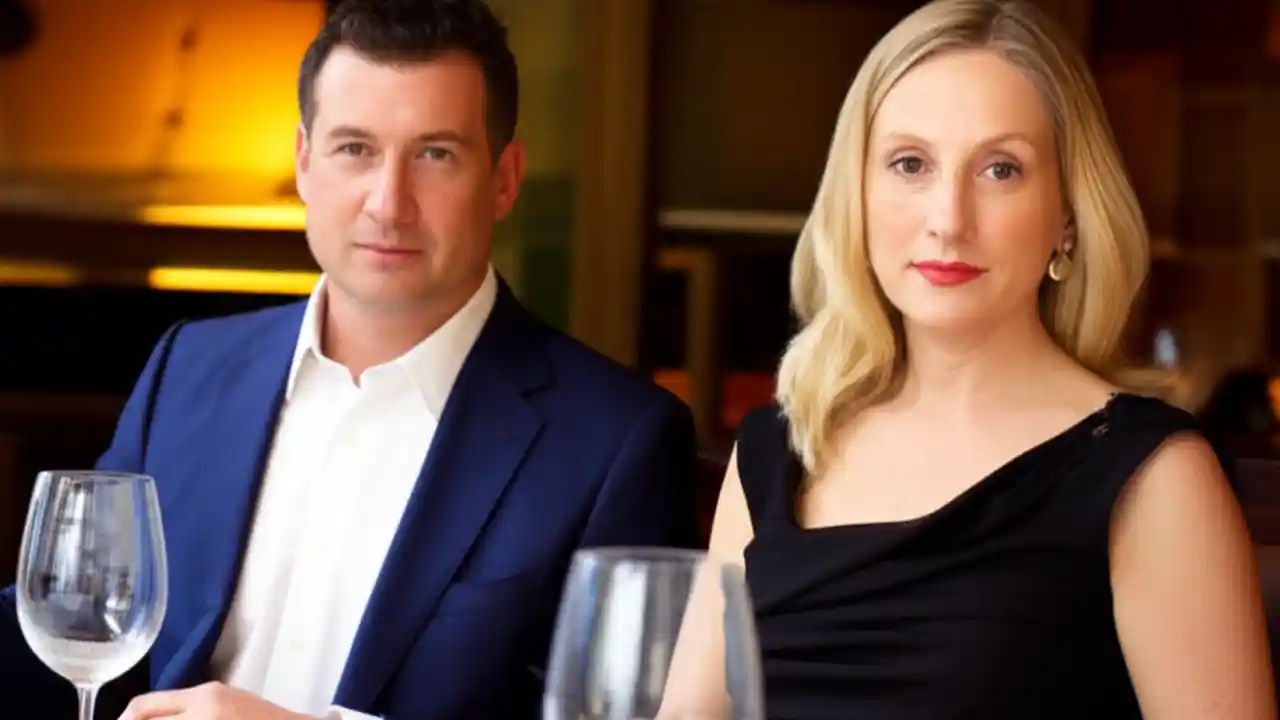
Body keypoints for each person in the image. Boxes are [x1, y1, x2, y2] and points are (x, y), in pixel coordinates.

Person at [1, 1, 698, 718]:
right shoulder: (190, 367)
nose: (388, 203)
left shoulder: (619, 442)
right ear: (304, 161)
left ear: (504, 179)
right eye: (355, 149)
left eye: (435, 154)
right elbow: (76, 630)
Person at [661, 1, 1276, 718]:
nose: (948, 218)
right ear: (856, 196)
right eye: (910, 163)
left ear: (1069, 213)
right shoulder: (781, 445)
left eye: (1001, 169)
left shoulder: (1151, 473)